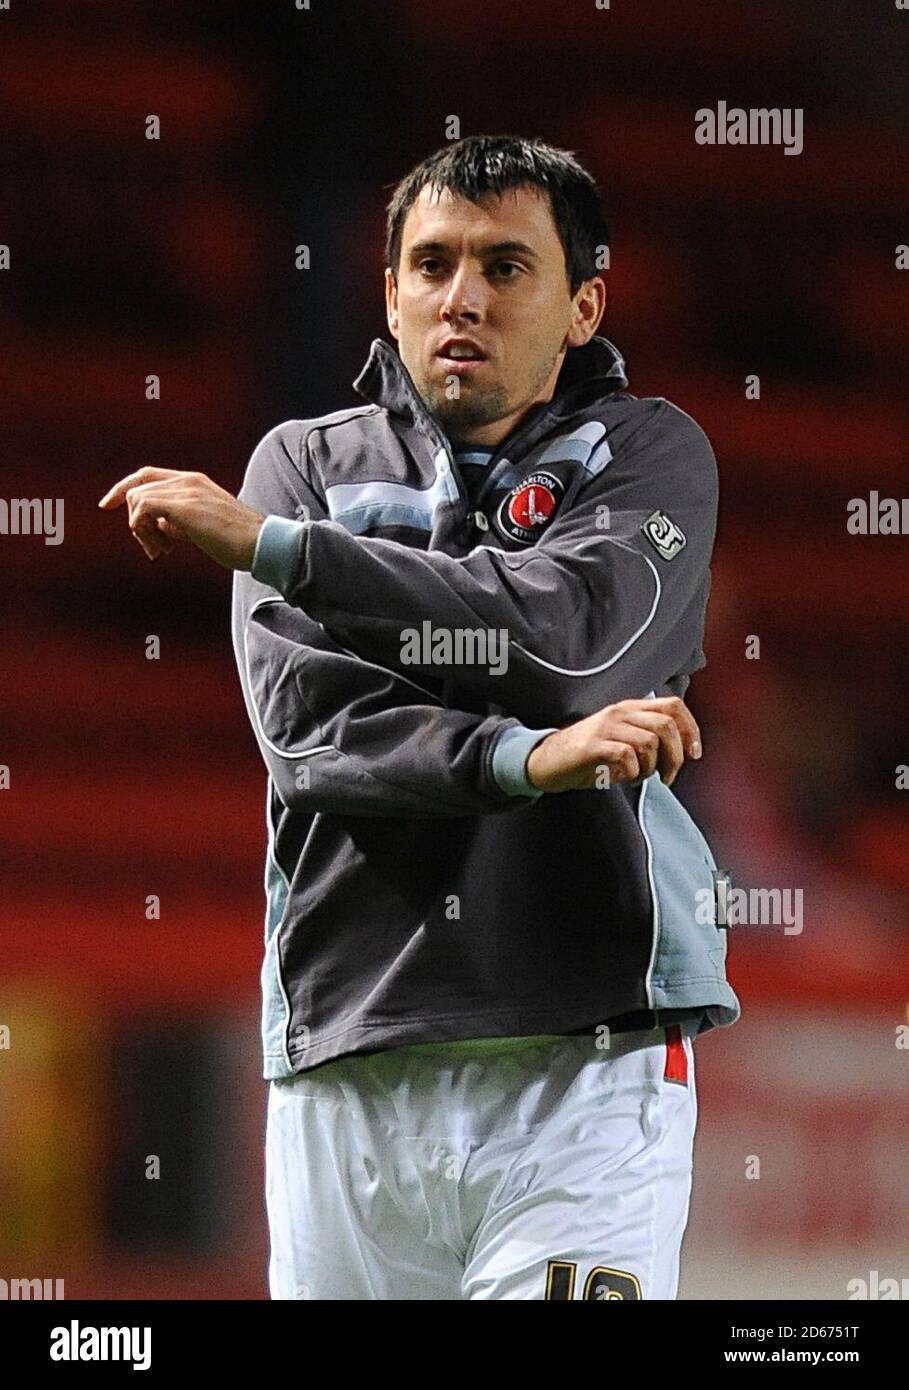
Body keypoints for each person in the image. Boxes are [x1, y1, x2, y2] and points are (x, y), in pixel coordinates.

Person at [99, 133, 740, 1300]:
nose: (463, 298)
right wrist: (526, 758)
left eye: (506, 267)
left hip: (585, 1069)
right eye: (432, 264)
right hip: (350, 1068)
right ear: (390, 294)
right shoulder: (300, 465)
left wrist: (290, 556)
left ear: (582, 305)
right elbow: (313, 733)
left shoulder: (650, 456)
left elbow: (572, 641)